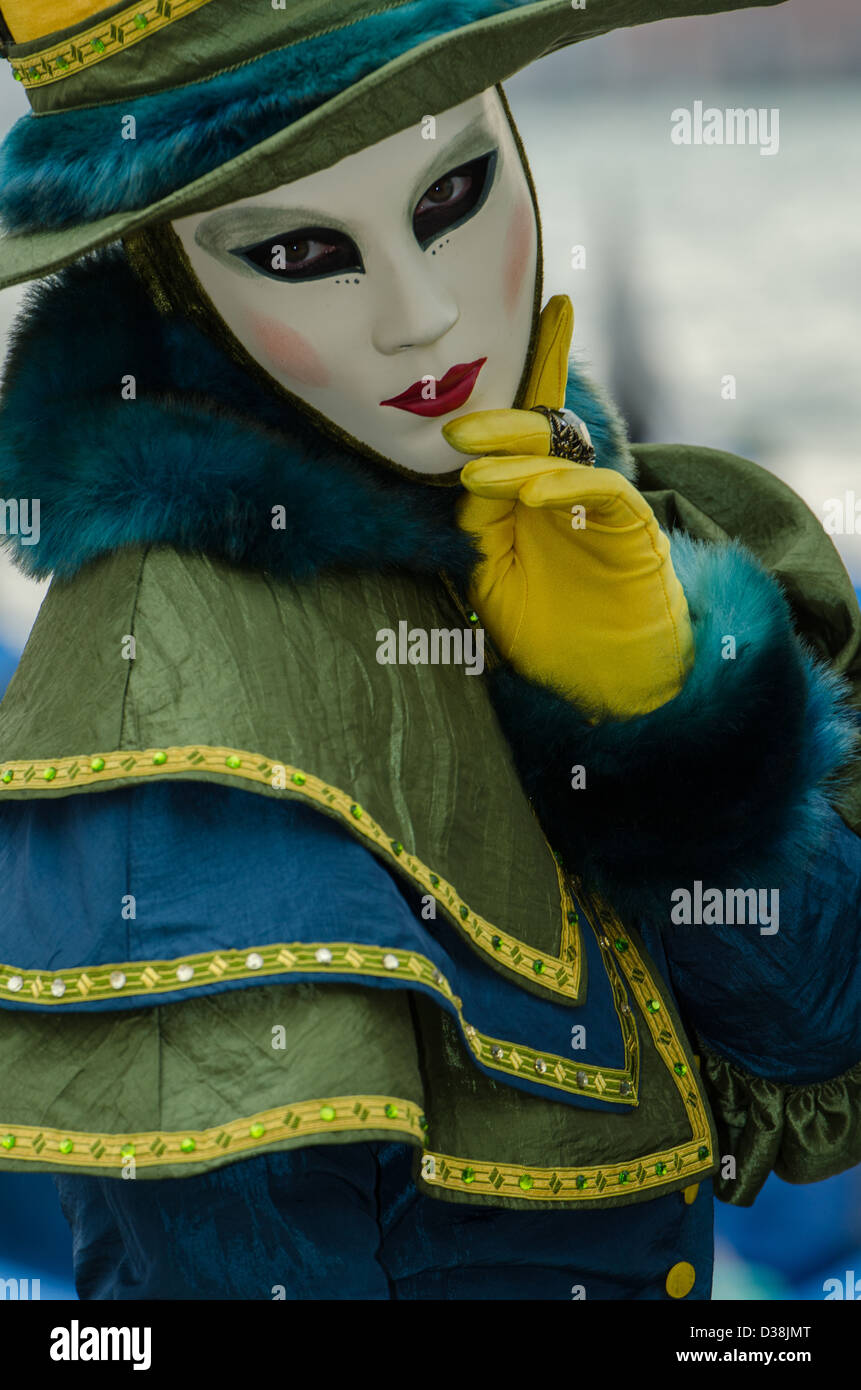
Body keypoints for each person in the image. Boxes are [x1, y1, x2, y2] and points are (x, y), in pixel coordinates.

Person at [0, 0, 857, 1302]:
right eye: (299, 249)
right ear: (166, 272)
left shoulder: (555, 504)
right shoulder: (173, 719)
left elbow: (819, 1040)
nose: (421, 315)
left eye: (452, 190)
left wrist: (657, 706)